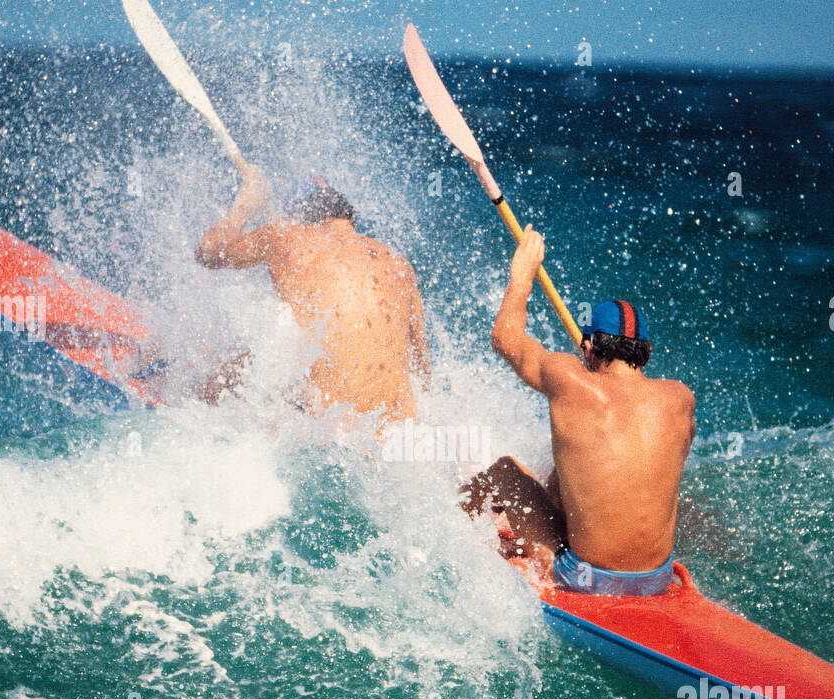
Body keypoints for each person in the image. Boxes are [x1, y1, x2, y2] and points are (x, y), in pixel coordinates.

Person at [460, 226, 696, 596]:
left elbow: (505, 339)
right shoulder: (680, 401)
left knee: (504, 472)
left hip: (588, 579)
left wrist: (522, 273)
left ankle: (445, 533)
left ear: (588, 347)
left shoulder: (570, 380)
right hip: (656, 580)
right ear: (644, 353)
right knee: (564, 477)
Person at [194, 166, 430, 422]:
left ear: (301, 218)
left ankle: (193, 402)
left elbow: (209, 251)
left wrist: (246, 203)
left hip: (330, 441)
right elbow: (423, 375)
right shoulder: (400, 266)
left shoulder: (283, 237)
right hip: (400, 437)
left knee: (236, 372)